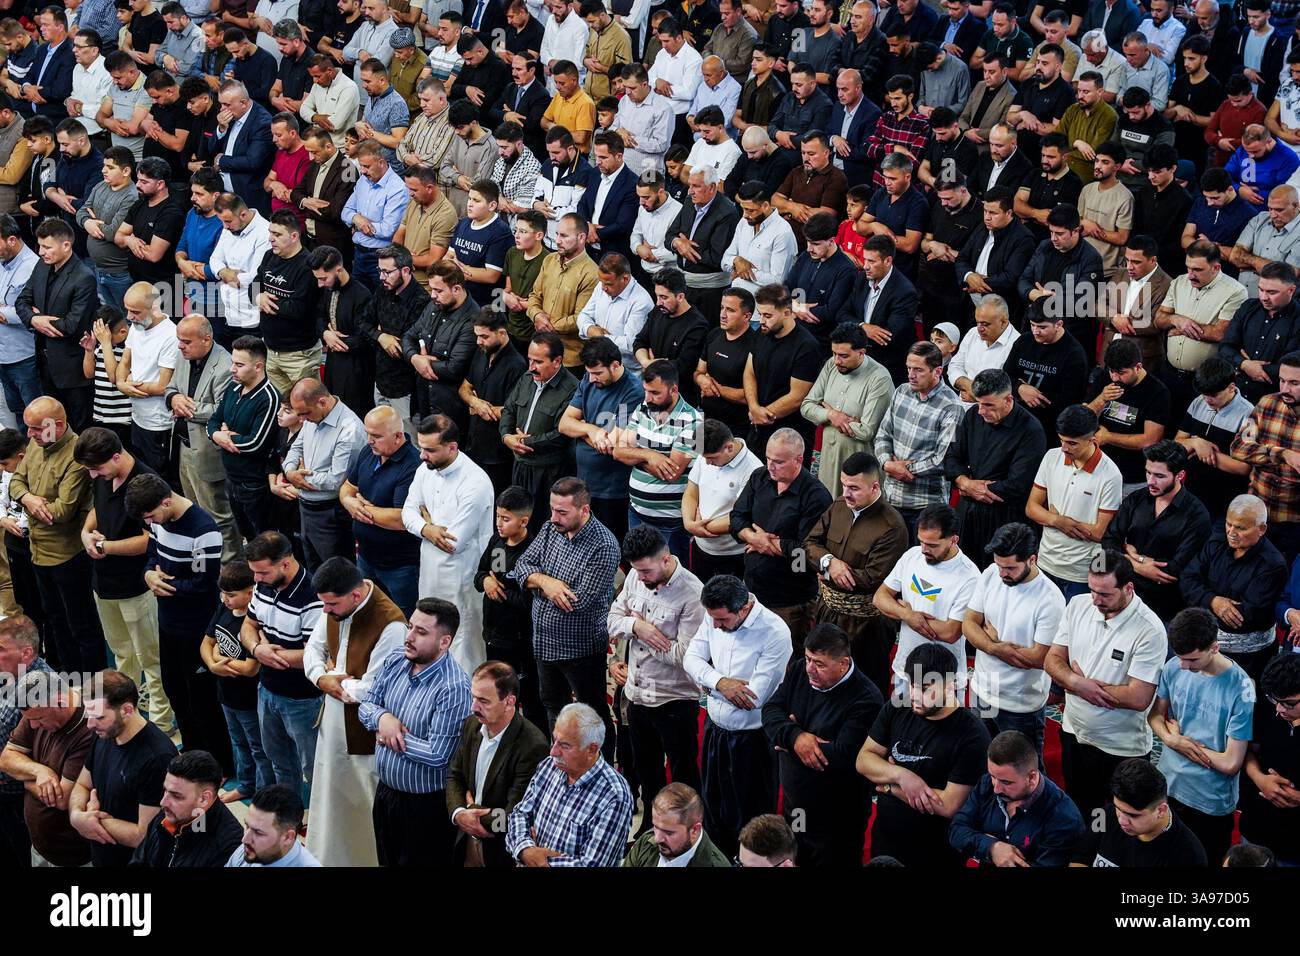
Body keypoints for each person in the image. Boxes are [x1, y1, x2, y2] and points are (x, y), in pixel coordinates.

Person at [1045, 547, 1167, 820]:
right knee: (1079, 808)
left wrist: (1075, 684)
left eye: (1105, 594)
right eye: (1092, 590)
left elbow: (1138, 697)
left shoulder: (1150, 629)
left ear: (1128, 588)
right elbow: (1051, 661)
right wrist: (1078, 683)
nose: (1095, 600)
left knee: (1117, 820)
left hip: (1120, 748)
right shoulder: (1077, 605)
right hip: (1074, 732)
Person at [301, 556, 406, 867]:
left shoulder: (391, 625)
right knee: (329, 796)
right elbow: (313, 650)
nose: (325, 611)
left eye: (331, 605)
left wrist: (336, 682)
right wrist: (322, 677)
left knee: (364, 803)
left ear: (356, 596)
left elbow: (375, 688)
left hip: (366, 735)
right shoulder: (335, 607)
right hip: (331, 722)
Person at [125, 471, 230, 771]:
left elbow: (204, 583)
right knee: (175, 691)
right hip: (168, 623)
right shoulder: (160, 522)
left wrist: (166, 586)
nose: (149, 523)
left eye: (151, 515)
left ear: (167, 501)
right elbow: (152, 555)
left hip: (196, 627)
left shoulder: (203, 530)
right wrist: (149, 575)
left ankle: (218, 763)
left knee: (203, 700)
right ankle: (194, 752)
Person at [682, 574, 791, 859]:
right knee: (713, 811)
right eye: (713, 620)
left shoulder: (775, 632)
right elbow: (690, 658)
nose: (715, 626)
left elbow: (753, 699)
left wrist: (707, 684)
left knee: (751, 820)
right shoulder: (714, 613)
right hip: (715, 732)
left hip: (753, 743)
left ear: (743, 609)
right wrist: (720, 684)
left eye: (722, 621)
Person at [73, 427, 172, 740]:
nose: (92, 474)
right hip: (104, 585)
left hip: (136, 586)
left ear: (116, 457)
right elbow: (96, 511)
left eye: (97, 468)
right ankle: (125, 717)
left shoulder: (146, 483)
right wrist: (86, 534)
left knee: (151, 659)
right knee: (121, 655)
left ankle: (161, 725)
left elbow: (150, 539)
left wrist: (107, 548)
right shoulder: (103, 477)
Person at [508, 476, 619, 754]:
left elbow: (577, 602)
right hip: (544, 643)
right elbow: (521, 566)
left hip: (580, 648)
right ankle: (560, 758)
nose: (554, 517)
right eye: (552, 509)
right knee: (552, 707)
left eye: (562, 512)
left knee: (591, 714)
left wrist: (536, 584)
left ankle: (599, 767)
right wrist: (548, 583)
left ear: (584, 510)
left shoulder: (604, 546)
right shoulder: (549, 530)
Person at [856, 642, 991, 867]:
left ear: (950, 686)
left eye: (926, 688)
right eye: (912, 685)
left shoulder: (972, 735)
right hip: (886, 843)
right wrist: (903, 776)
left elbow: (949, 805)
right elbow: (863, 759)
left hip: (935, 851)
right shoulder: (898, 707)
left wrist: (890, 787)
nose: (916, 695)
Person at [761, 622, 883, 867]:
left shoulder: (866, 699)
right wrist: (796, 737)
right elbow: (771, 710)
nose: (809, 669)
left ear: (843, 664)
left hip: (837, 818)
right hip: (795, 806)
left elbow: (842, 756)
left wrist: (787, 742)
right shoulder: (799, 672)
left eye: (819, 664)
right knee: (793, 860)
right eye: (807, 659)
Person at [1149, 607, 1254, 864]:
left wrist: (1182, 744)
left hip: (1210, 800)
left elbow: (1230, 763)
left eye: (1192, 660)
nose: (1184, 666)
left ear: (1214, 647)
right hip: (1169, 786)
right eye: (1180, 657)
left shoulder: (1241, 688)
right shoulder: (1175, 666)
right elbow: (1154, 716)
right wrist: (1171, 739)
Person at [10, 397, 104, 674]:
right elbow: (16, 480)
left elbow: (61, 512)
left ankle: (93, 684)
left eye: (36, 428)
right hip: (38, 552)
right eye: (29, 428)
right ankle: (66, 673)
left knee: (81, 623)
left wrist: (34, 503)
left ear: (57, 425)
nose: (29, 434)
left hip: (68, 556)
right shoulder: (37, 445)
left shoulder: (76, 457)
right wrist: (29, 498)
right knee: (54, 621)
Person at [729, 428, 832, 654]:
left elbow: (806, 554)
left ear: (798, 460)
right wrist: (753, 537)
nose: (770, 466)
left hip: (791, 602)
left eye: (778, 461)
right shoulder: (759, 477)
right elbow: (736, 519)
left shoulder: (816, 496)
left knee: (786, 663)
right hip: (753, 592)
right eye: (768, 459)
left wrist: (768, 546)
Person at [239, 530, 324, 800]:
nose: (256, 579)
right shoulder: (265, 586)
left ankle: (323, 829)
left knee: (314, 768)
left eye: (262, 573)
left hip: (303, 701)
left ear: (285, 563)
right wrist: (256, 648)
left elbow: (314, 655)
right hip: (267, 691)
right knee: (280, 764)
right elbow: (247, 626)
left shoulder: (313, 597)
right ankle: (291, 817)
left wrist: (268, 656)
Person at [69, 669, 178, 867]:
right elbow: (83, 785)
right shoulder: (104, 734)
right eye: (89, 716)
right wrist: (77, 815)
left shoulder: (158, 758)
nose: (90, 725)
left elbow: (144, 835)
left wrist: (93, 822)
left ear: (127, 710)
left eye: (99, 717)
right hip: (102, 856)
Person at [445, 660, 549, 867]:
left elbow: (514, 816)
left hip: (501, 852)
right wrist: (458, 813)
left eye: (483, 701)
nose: (473, 707)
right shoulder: (472, 725)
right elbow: (454, 775)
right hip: (466, 844)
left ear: (509, 701)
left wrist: (470, 812)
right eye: (473, 697)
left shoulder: (533, 746)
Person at [505, 700, 633, 866]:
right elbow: (519, 814)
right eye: (555, 740)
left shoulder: (614, 797)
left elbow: (592, 864)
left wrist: (538, 861)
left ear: (592, 749)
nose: (553, 751)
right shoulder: (549, 766)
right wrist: (525, 849)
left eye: (564, 745)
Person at [1181, 494, 1289, 681]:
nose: (1231, 532)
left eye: (1240, 528)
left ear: (1261, 529)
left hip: (1250, 661)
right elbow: (1187, 578)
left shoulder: (1273, 565)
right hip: (1203, 650)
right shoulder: (1216, 542)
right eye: (1229, 524)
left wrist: (1200, 599)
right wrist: (1213, 600)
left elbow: (1246, 617)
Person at [945, 369, 1047, 567]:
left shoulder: (1031, 430)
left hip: (1006, 519)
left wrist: (976, 489)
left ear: (1008, 400)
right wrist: (964, 481)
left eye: (989, 405)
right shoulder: (973, 415)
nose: (982, 411)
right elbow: (952, 457)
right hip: (968, 513)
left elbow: (1018, 484)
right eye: (979, 403)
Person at [1026, 405, 1124, 599]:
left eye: (1071, 443)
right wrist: (1057, 521)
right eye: (1061, 440)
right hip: (1044, 562)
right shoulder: (1051, 457)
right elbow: (1031, 508)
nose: (1064, 448)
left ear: (1092, 440)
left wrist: (1050, 517)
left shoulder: (1110, 475)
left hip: (1081, 573)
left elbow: (1099, 532)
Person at [0, 670, 96, 867]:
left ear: (60, 703)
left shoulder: (89, 729)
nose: (33, 726)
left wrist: (24, 780)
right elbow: (6, 758)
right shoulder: (35, 709)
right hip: (40, 848)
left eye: (39, 719)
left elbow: (62, 798)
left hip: (74, 855)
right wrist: (39, 771)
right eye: (30, 720)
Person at [949, 729, 1086, 866]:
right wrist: (991, 847)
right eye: (992, 776)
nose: (996, 789)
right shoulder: (988, 784)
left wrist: (977, 841)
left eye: (1006, 782)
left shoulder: (1063, 819)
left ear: (1031, 778)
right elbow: (956, 830)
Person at [873, 341, 963, 540]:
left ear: (937, 371)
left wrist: (904, 471)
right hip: (891, 498)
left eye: (918, 370)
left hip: (926, 506)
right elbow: (883, 434)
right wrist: (887, 463)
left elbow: (943, 459)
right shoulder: (901, 391)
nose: (910, 375)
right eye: (908, 368)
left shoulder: (952, 407)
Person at [164, 316, 238, 560]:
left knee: (219, 518)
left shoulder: (226, 365)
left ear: (207, 340)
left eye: (186, 341)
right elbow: (171, 388)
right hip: (184, 448)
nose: (180, 346)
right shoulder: (184, 355)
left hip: (208, 453)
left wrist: (189, 408)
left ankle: (230, 571)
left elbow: (223, 411)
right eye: (179, 340)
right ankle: (206, 563)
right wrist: (174, 399)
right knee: (194, 511)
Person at [200, 557, 271, 804]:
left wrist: (219, 659)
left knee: (259, 749)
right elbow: (206, 643)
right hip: (227, 695)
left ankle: (263, 793)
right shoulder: (225, 610)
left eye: (230, 595)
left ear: (250, 593)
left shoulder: (255, 622)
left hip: (249, 699)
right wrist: (212, 664)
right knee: (238, 743)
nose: (224, 599)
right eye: (222, 594)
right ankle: (246, 785)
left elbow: (251, 667)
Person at [337, 406, 420, 617]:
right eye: (367, 433)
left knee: (403, 617)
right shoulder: (370, 452)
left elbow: (401, 518)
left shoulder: (413, 465)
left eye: (376, 436)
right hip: (366, 557)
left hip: (401, 565)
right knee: (367, 612)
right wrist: (349, 502)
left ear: (398, 436)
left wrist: (360, 508)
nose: (369, 440)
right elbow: (347, 488)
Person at [16, 221, 98, 432]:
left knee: (79, 430)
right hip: (45, 364)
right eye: (40, 246)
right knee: (52, 428)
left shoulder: (84, 278)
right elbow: (21, 301)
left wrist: (39, 317)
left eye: (47, 247)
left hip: (73, 372)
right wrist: (34, 320)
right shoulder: (42, 266)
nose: (41, 252)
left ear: (66, 246)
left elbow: (71, 325)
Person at [1155, 241, 1249, 422]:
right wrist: (1176, 319)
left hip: (1204, 383)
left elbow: (1220, 333)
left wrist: (1182, 329)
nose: (1190, 275)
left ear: (1216, 268)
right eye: (1188, 268)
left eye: (1197, 270)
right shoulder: (1179, 282)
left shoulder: (1235, 292)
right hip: (1169, 373)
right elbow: (1159, 319)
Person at [280, 377, 367, 571]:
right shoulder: (313, 415)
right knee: (314, 570)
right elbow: (296, 447)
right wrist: (290, 470)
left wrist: (299, 478)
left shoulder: (349, 429)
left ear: (322, 402)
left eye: (305, 414)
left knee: (336, 575)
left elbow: (336, 480)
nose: (301, 419)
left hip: (331, 514)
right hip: (306, 507)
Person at [800, 324, 893, 498]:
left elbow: (866, 431)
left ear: (861, 352)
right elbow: (806, 406)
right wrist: (831, 415)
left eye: (843, 356)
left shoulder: (879, 378)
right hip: (827, 461)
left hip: (859, 469)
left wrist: (824, 412)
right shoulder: (831, 366)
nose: (837, 361)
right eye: (834, 353)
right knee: (827, 511)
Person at [1069, 758, 1209, 866]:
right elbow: (1080, 857)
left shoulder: (1189, 856)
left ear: (1161, 810)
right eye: (1118, 809)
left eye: (1133, 815)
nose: (1122, 820)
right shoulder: (1102, 815)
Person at [207, 335, 279, 543]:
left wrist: (222, 437)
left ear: (258, 367)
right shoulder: (233, 387)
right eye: (232, 363)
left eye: (239, 365)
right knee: (246, 536)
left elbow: (255, 443)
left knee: (263, 541)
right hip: (231, 478)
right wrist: (220, 435)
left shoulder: (269, 398)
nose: (232, 369)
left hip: (254, 485)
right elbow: (213, 421)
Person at [1231, 351, 1300, 565]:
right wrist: (1281, 454)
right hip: (1255, 514)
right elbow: (1238, 447)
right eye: (1282, 380)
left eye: (1294, 383)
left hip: (1293, 523)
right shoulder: (1267, 404)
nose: (1285, 389)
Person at [128, 749, 244, 866]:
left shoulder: (228, 850)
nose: (163, 802)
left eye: (176, 796)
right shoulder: (168, 816)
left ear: (204, 799)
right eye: (165, 790)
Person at [1174, 357, 1255, 520]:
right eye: (1204, 395)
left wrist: (1205, 454)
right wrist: (1197, 443)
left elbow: (1245, 467)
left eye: (1213, 395)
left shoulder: (1249, 414)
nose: (1207, 400)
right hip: (1188, 492)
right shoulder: (1199, 402)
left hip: (1223, 499)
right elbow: (1177, 442)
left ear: (1231, 387)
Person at [341, 141, 409, 290]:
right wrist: (357, 219)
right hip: (358, 253)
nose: (363, 171)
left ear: (381, 162)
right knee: (359, 301)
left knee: (382, 302)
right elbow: (345, 211)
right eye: (361, 166)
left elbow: (387, 229)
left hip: (381, 258)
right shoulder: (363, 181)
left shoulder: (397, 189)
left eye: (366, 166)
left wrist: (356, 224)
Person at [949, 297, 1021, 407]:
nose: (979, 329)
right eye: (977, 322)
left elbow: (1008, 389)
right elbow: (954, 366)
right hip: (961, 407)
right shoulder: (973, 333)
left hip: (992, 415)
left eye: (985, 324)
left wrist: (977, 396)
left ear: (1003, 322)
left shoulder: (1017, 345)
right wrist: (969, 386)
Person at [226, 783, 321, 866]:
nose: (244, 839)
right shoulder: (250, 849)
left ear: (287, 837)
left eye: (258, 833)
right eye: (247, 826)